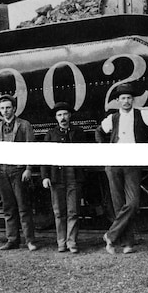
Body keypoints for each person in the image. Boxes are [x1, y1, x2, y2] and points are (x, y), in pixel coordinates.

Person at [96, 82, 148, 254]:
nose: (126, 101)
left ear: (133, 100)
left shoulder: (143, 115)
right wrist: (104, 148)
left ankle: (110, 236)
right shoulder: (112, 119)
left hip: (133, 162)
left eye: (129, 98)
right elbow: (99, 131)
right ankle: (127, 243)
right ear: (118, 101)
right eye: (123, 98)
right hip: (114, 163)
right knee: (118, 205)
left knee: (132, 203)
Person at [0, 94, 37, 251]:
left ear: (14, 109)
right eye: (2, 108)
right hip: (2, 171)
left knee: (23, 207)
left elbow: (31, 148)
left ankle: (29, 240)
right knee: (8, 208)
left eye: (8, 107)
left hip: (18, 170)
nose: (5, 111)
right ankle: (12, 240)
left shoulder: (24, 125)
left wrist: (29, 168)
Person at [41, 101, 90, 253]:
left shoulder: (79, 132)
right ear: (56, 118)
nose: (63, 118)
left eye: (65, 114)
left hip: (74, 177)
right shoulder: (51, 134)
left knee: (73, 211)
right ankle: (61, 242)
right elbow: (44, 157)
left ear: (70, 115)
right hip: (57, 177)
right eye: (59, 115)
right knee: (59, 212)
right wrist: (45, 176)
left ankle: (72, 242)